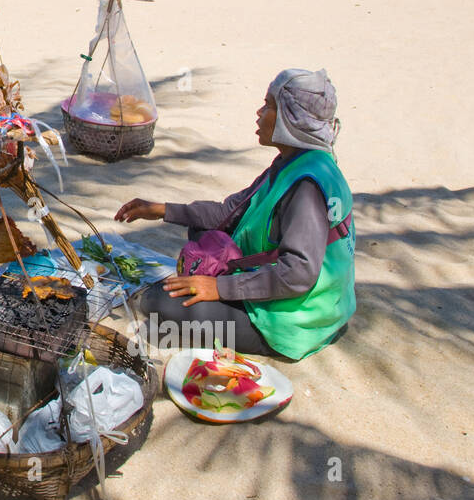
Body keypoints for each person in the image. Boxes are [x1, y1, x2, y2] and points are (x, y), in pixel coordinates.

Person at [114, 68, 354, 360]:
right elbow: (229, 213)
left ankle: (252, 334)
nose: (259, 112)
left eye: (269, 105)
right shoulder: (297, 162)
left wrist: (220, 287)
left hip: (295, 320)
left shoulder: (305, 187)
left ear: (292, 119)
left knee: (157, 303)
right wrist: (162, 210)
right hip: (292, 291)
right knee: (202, 233)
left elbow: (298, 274)